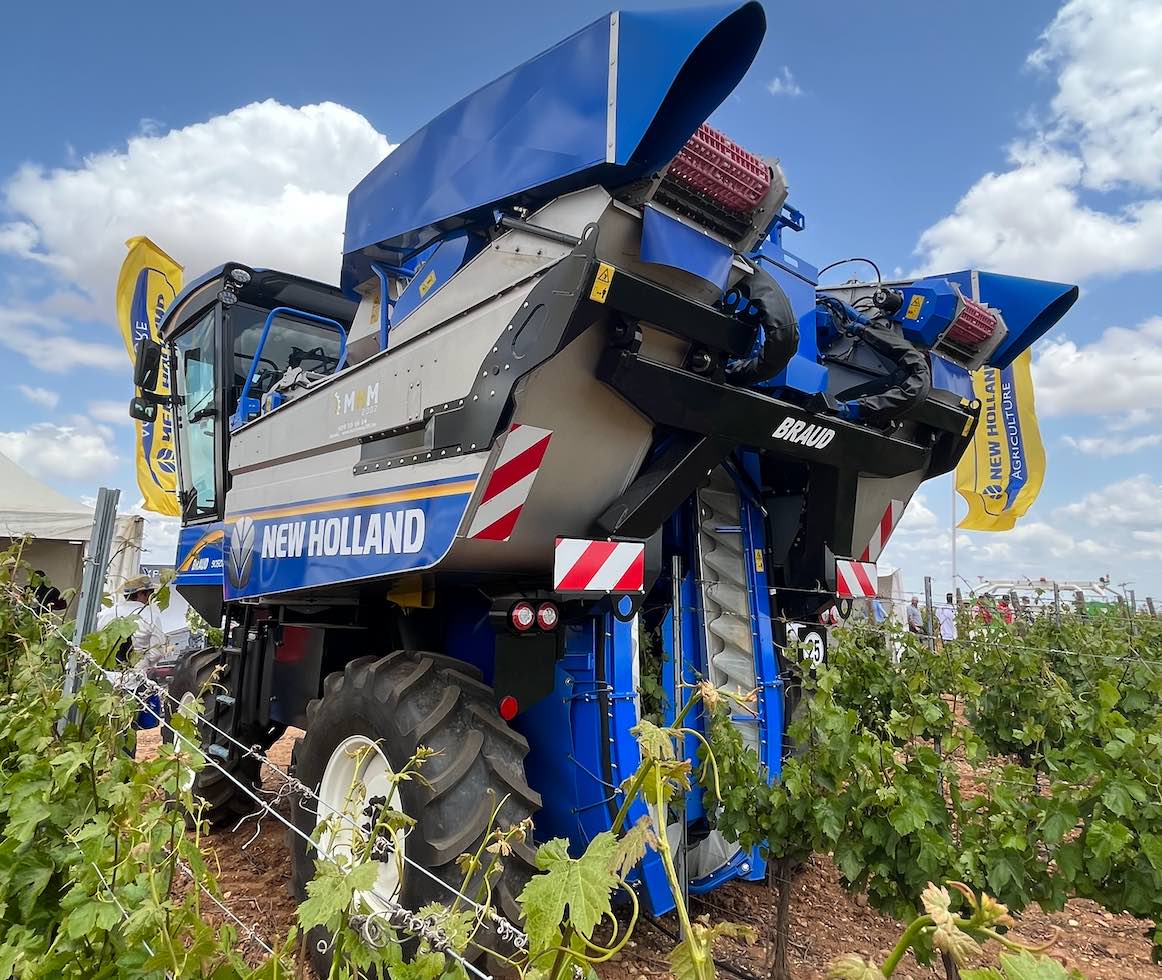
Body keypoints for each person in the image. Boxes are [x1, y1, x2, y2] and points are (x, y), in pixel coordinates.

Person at [96, 574, 169, 683]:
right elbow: (156, 653)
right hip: (134, 679)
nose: (152, 597)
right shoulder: (151, 616)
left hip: (104, 677)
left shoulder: (105, 614)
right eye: (150, 593)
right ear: (140, 593)